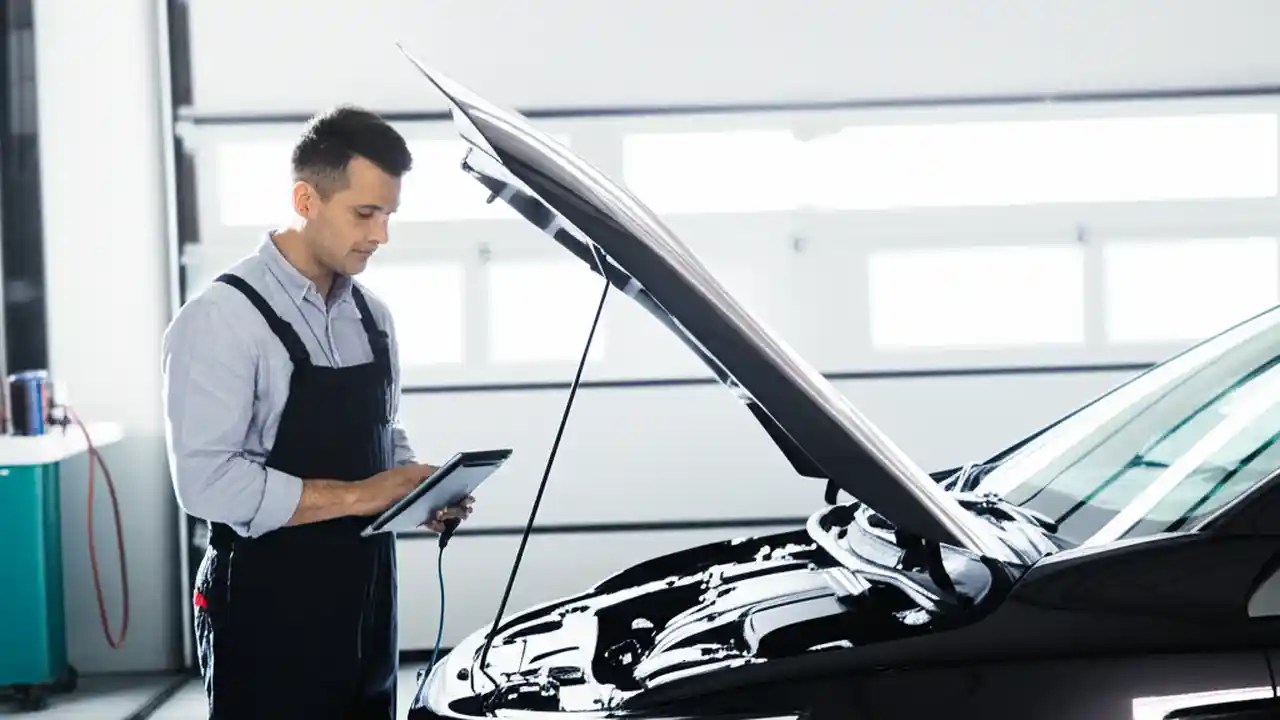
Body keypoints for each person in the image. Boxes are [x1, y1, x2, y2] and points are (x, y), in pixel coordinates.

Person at [161, 105, 472, 719]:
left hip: (367, 598)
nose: (381, 235)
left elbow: (383, 429)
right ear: (306, 199)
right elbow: (206, 484)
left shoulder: (373, 317)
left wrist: (417, 490)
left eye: (389, 215)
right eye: (365, 213)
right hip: (267, 606)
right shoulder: (223, 320)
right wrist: (363, 495)